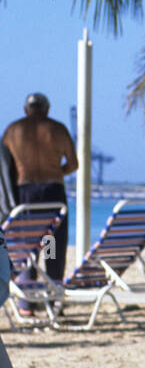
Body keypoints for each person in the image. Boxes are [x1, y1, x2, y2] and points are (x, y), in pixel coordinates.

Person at [1, 93, 78, 314]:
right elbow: (73, 164)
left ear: (26, 109)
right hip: (53, 194)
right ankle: (54, 300)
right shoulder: (58, 129)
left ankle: (26, 304)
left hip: (24, 194)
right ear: (47, 108)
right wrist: (56, 173)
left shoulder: (12, 131)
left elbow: (4, 167)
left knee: (26, 247)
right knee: (52, 244)